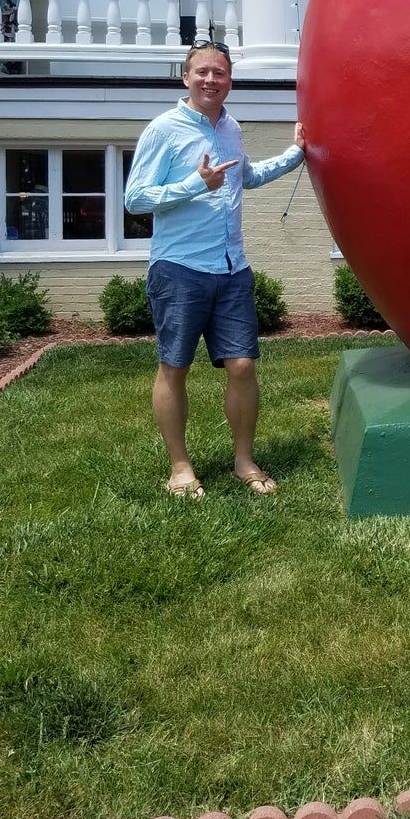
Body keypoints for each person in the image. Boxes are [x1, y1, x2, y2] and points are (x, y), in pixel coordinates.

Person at [124, 38, 305, 500]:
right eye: (202, 71)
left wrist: (296, 154)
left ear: (229, 81)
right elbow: (135, 198)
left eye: (219, 73)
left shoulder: (231, 128)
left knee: (243, 365)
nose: (211, 80)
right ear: (186, 77)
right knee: (174, 366)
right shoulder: (164, 129)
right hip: (179, 268)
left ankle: (243, 459)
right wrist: (192, 184)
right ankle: (181, 467)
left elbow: (244, 175)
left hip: (232, 267)